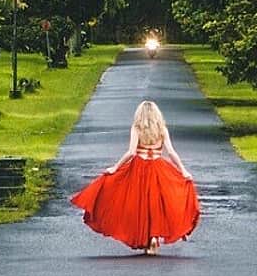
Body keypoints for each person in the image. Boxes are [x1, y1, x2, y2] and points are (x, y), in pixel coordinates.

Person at [69, 100, 200, 255]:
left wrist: (115, 167)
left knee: (140, 203)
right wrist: (183, 170)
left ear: (140, 115)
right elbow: (171, 152)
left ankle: (147, 238)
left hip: (139, 168)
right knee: (158, 202)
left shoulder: (137, 128)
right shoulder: (162, 129)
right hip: (158, 167)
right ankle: (153, 236)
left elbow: (131, 152)